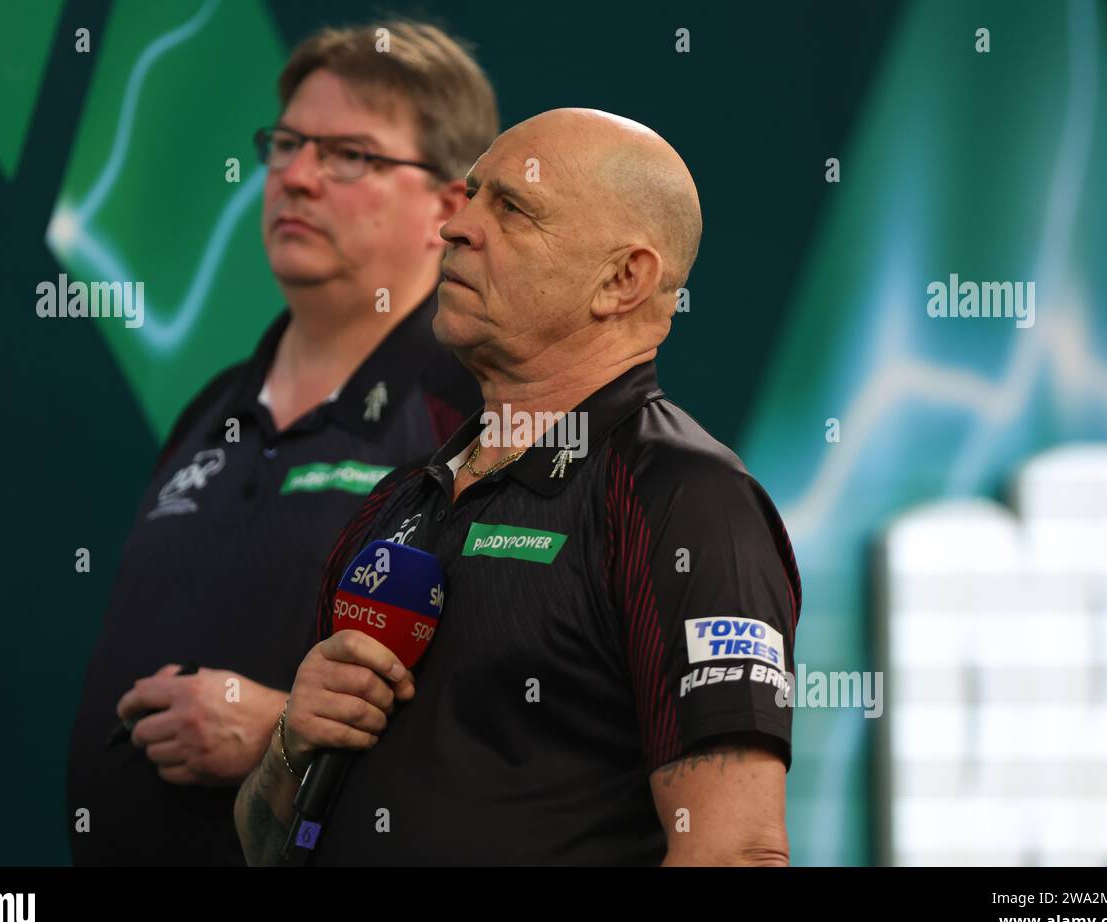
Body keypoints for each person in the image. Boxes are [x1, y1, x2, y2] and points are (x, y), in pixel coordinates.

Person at [235, 108, 802, 865]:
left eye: (511, 207)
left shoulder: (688, 501)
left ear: (622, 280)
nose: (457, 226)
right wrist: (289, 742)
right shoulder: (398, 504)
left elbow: (736, 851)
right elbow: (261, 845)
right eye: (470, 196)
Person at [67, 21, 497, 865]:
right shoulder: (212, 408)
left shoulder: (475, 420)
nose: (295, 177)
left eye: (348, 156)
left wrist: (281, 730)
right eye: (288, 143)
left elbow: (514, 727)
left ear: (446, 209)